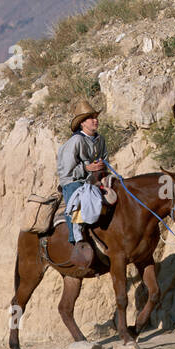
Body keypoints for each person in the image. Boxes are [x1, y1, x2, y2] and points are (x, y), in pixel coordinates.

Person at [55, 100, 107, 245]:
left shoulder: (100, 139)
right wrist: (86, 168)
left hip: (94, 178)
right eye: (91, 118)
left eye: (96, 117)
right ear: (82, 123)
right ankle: (75, 237)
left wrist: (102, 166)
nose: (95, 120)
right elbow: (65, 170)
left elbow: (105, 159)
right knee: (77, 199)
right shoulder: (76, 141)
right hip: (73, 181)